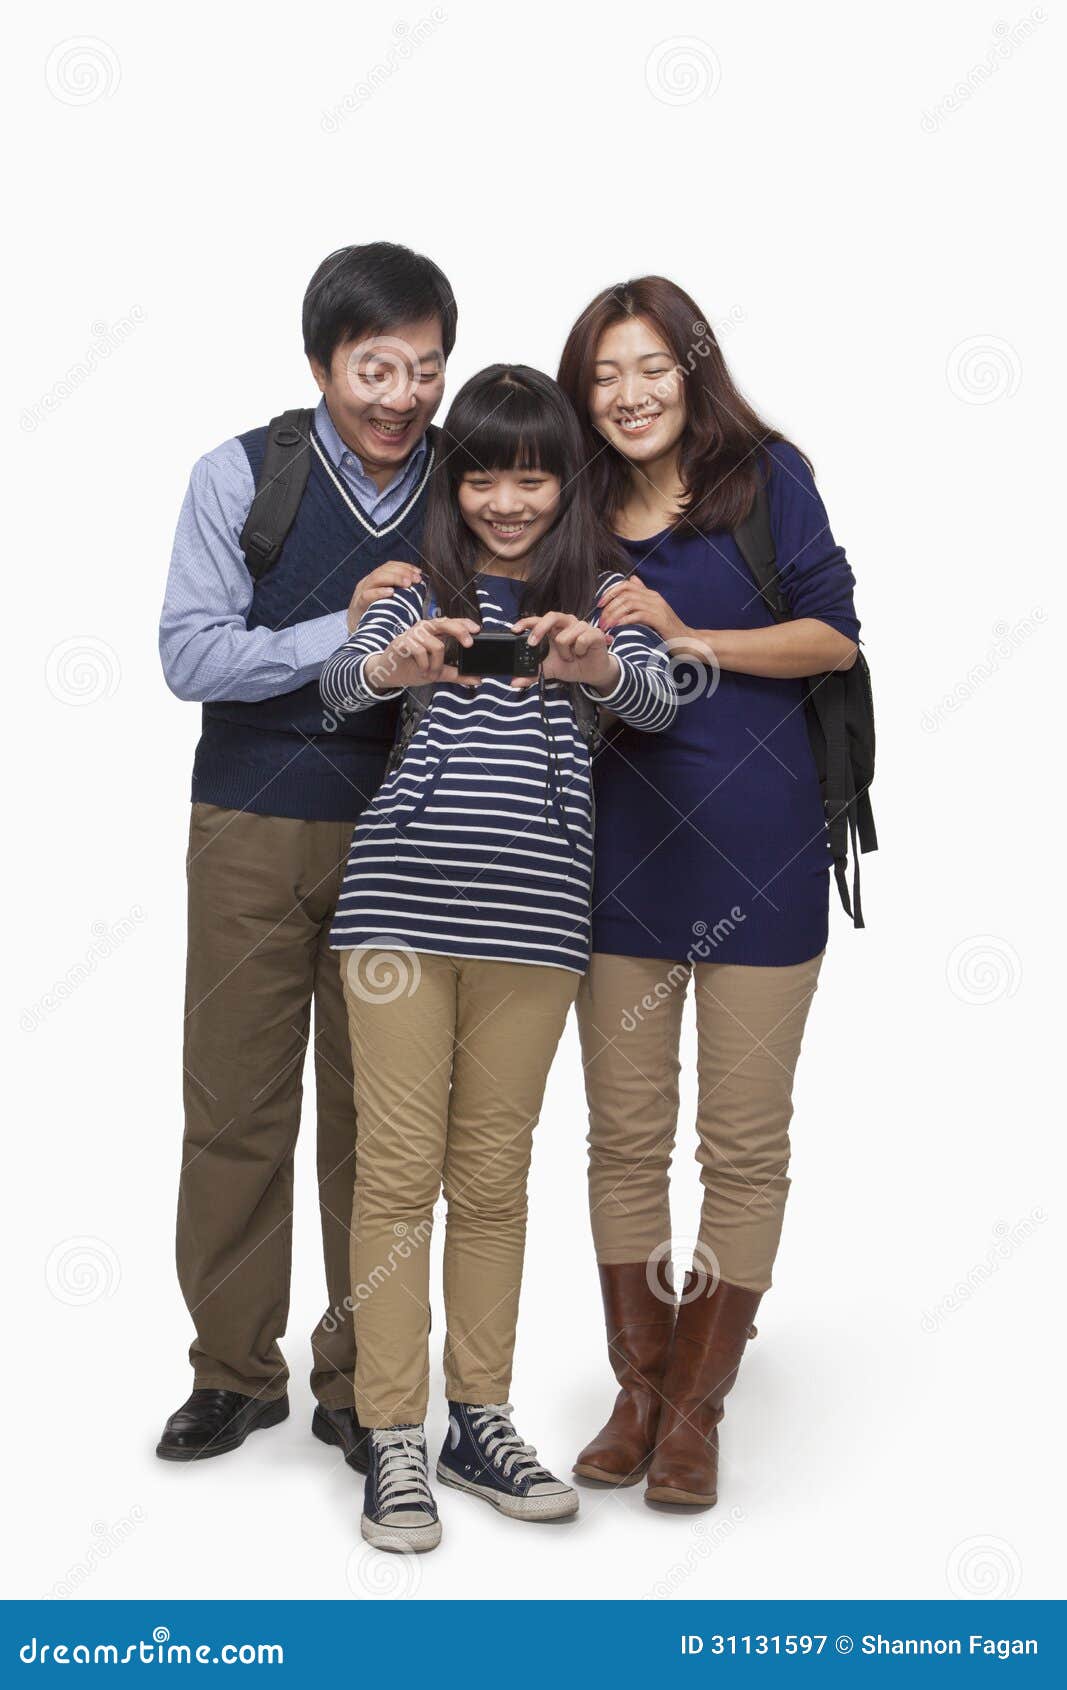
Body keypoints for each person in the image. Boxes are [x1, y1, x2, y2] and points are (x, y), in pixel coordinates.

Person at [319, 365, 678, 1552]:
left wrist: (592, 665)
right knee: (394, 1176)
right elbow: (336, 682)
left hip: (533, 930)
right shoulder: (413, 584)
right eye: (482, 472)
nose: (508, 499)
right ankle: (393, 1438)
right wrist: (391, 665)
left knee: (489, 1181)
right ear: (453, 477)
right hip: (398, 920)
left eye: (531, 473)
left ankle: (477, 1415)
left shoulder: (604, 587)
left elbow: (668, 694)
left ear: (564, 478)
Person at [556, 276, 861, 1507]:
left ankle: (695, 1405)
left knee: (740, 1143)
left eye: (651, 370)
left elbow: (832, 636)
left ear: (690, 371)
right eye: (604, 376)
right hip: (619, 861)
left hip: (763, 852)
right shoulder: (568, 507)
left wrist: (691, 639)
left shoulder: (763, 479)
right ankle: (634, 1386)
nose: (629, 395)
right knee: (622, 1135)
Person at [155, 242, 456, 1468]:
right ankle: (233, 1372)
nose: (400, 397)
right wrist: (343, 636)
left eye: (425, 370)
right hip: (251, 826)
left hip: (408, 830)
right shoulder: (243, 476)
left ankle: (357, 1380)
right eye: (373, 367)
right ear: (322, 359)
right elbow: (190, 655)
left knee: (376, 1119)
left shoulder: (470, 477)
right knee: (235, 1106)